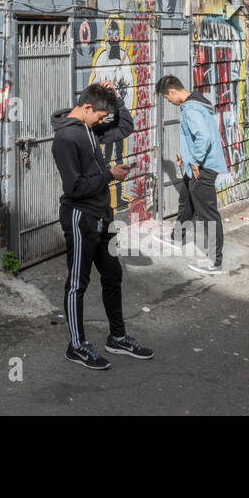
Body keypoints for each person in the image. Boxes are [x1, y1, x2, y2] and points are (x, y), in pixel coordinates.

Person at [51, 83, 153, 370]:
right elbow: (74, 187)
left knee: (112, 274)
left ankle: (117, 337)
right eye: (100, 116)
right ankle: (77, 345)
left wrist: (117, 100)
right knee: (77, 283)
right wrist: (109, 174)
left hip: (102, 215)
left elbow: (126, 127)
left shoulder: (89, 129)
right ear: (86, 108)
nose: (102, 121)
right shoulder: (66, 138)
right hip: (80, 216)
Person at [157, 75, 228, 275]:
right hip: (196, 165)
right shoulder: (196, 103)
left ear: (172, 92)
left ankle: (215, 262)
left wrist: (195, 160)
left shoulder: (191, 109)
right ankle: (176, 237)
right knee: (186, 201)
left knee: (208, 214)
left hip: (202, 168)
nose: (168, 101)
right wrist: (187, 158)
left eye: (166, 98)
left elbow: (203, 136)